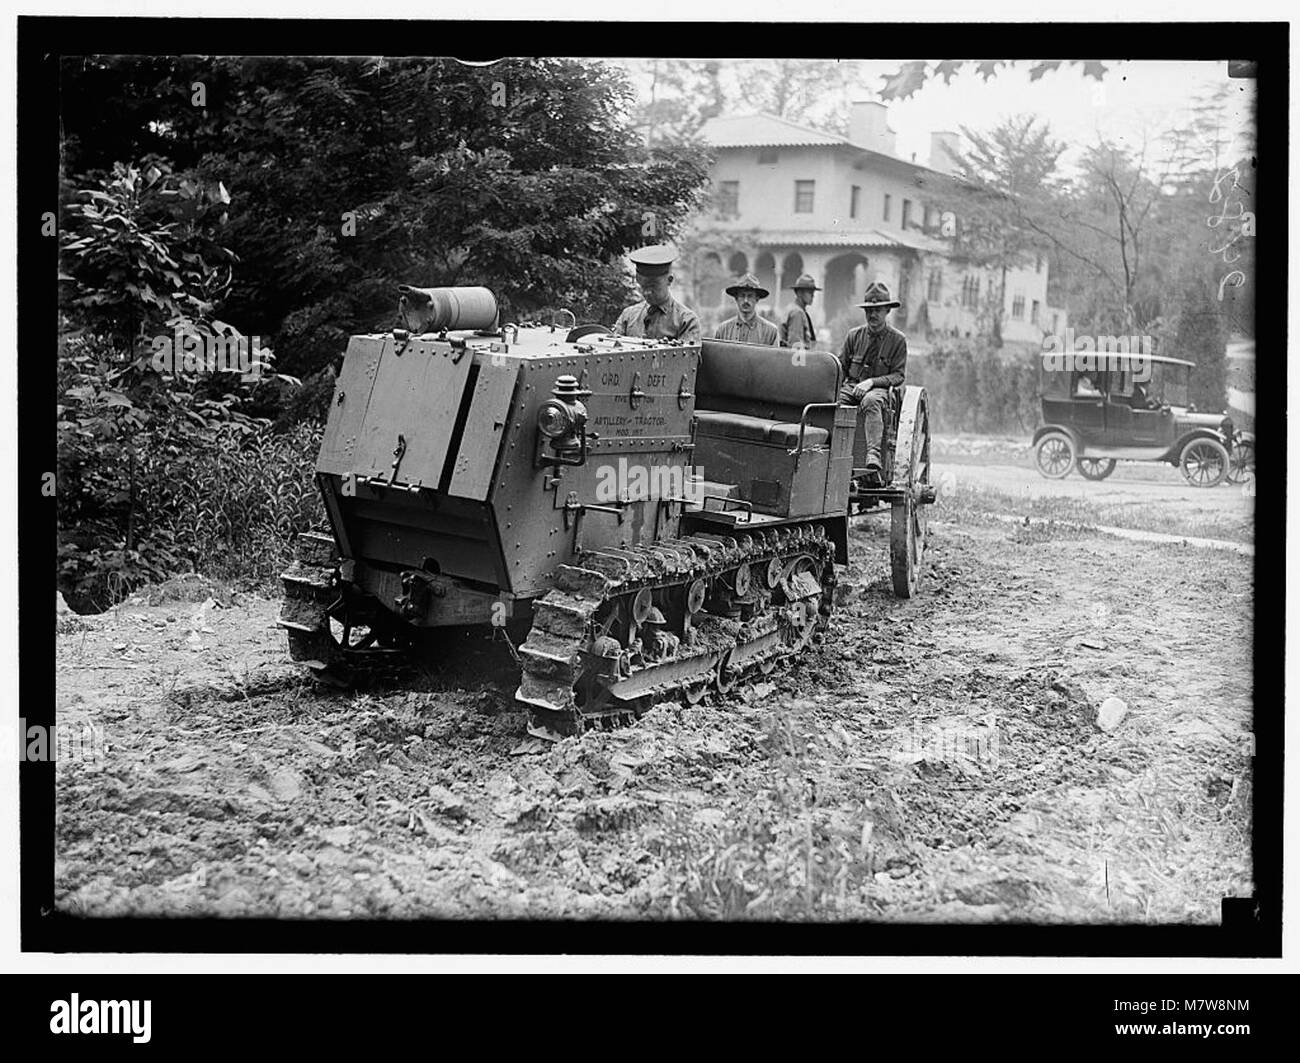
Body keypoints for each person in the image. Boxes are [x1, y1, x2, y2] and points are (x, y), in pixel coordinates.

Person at [838, 281, 908, 485]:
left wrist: (872, 382)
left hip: (879, 391)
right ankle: (831, 453)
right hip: (852, 387)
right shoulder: (854, 336)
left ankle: (873, 457)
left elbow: (898, 376)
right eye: (869, 310)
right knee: (835, 402)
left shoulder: (898, 340)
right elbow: (841, 368)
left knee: (870, 400)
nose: (872, 315)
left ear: (887, 311)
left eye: (877, 310)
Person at [611, 244, 701, 343]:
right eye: (642, 286)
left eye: (653, 285)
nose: (646, 292)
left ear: (669, 280)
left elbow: (689, 357)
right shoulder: (628, 316)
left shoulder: (686, 320)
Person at [713, 273, 779, 344]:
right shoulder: (723, 330)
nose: (746, 301)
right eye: (742, 296)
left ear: (757, 299)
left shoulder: (770, 332)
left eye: (750, 296)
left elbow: (775, 355)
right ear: (736, 298)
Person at [778, 273, 820, 349]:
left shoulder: (794, 309)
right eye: (810, 292)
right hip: (797, 359)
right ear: (799, 293)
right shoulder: (797, 313)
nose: (813, 296)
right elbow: (796, 346)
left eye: (813, 293)